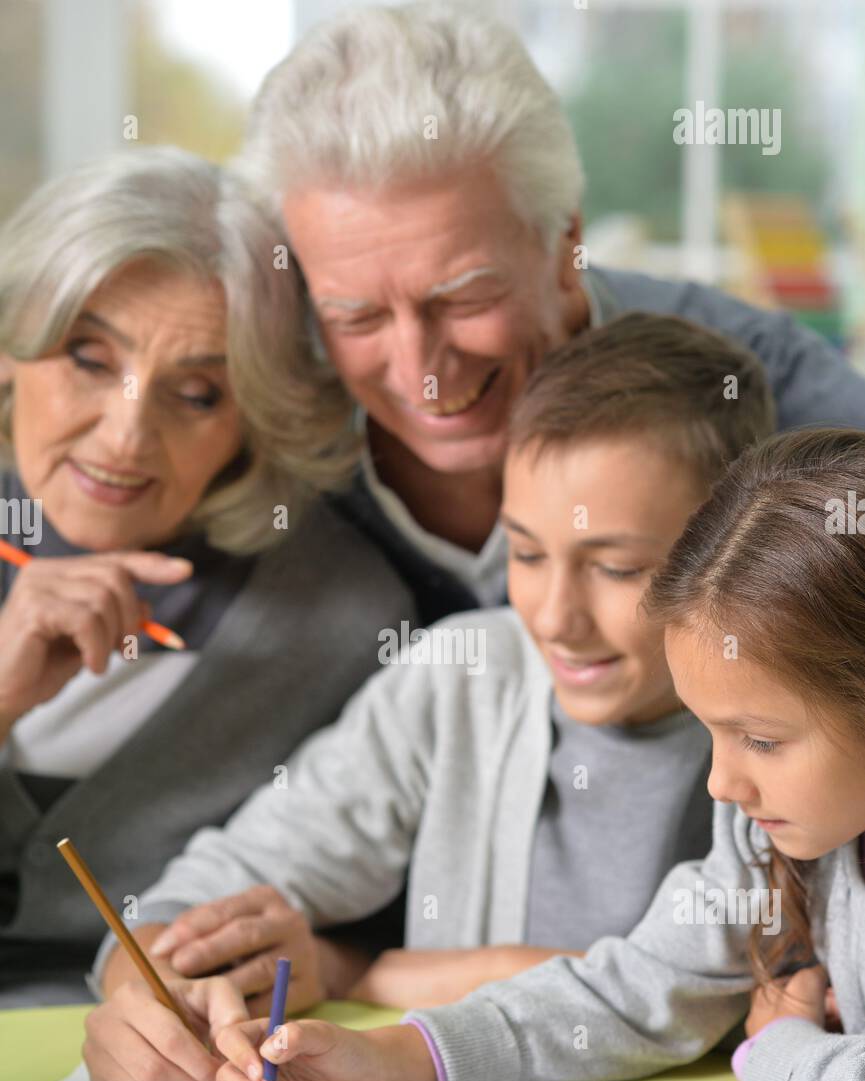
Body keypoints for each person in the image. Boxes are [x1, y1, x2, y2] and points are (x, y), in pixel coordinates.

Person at [82, 312, 774, 1081]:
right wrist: (145, 984)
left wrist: (370, 972)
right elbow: (225, 881)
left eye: (615, 568)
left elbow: (694, 990)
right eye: (523, 552)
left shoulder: (782, 729)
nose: (552, 616)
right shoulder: (462, 676)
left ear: (735, 551)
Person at [211, 426, 865, 1081]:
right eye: (710, 731)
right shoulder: (769, 833)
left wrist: (779, 1052)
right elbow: (636, 990)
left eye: (761, 739)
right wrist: (392, 1060)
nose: (721, 783)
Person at [236, 1, 865, 626]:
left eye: (463, 299)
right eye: (358, 317)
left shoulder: (777, 402)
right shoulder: (254, 424)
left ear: (566, 245)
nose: (417, 366)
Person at [0, 146, 412, 1007]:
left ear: (253, 422)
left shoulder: (342, 612)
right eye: (87, 357)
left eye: (194, 395)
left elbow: (342, 929)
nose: (124, 437)